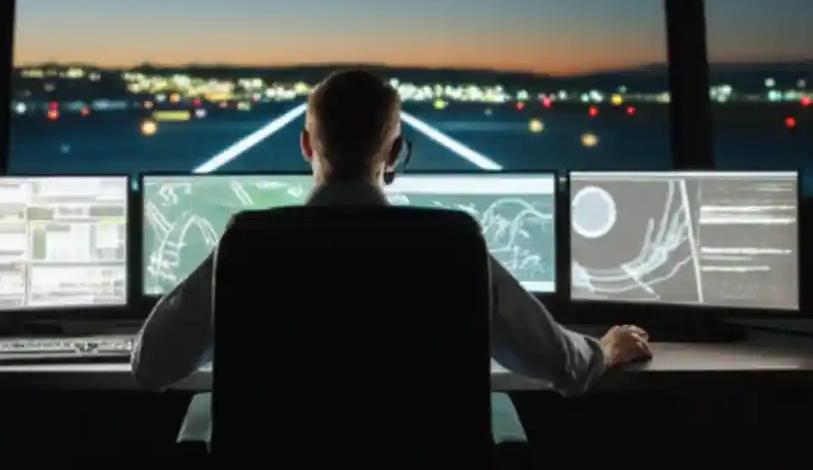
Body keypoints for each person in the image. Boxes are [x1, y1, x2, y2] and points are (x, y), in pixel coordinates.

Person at [131, 69, 651, 392]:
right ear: (396, 153)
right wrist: (604, 348)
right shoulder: (452, 247)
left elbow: (150, 366)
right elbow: (559, 364)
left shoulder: (248, 246)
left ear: (307, 148)